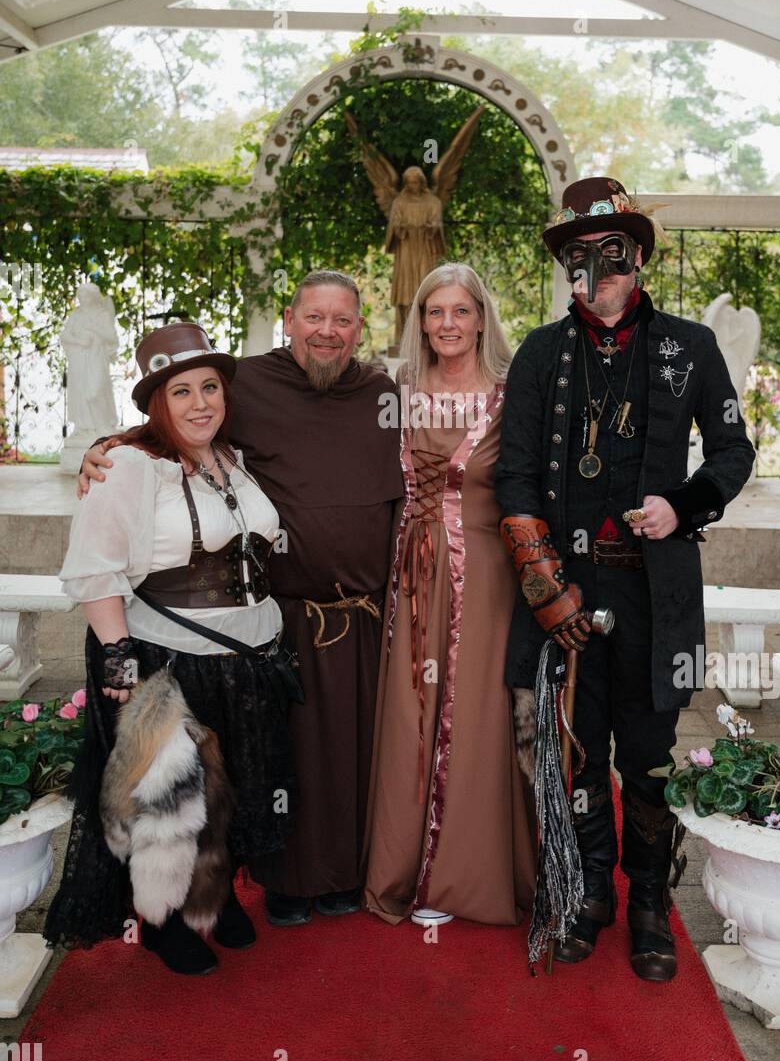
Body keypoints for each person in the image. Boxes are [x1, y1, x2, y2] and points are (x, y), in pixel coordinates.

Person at [79, 273, 405, 927]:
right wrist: (105, 445)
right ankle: (280, 884)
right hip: (279, 619)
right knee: (278, 758)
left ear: (360, 329)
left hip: (358, 617)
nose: (328, 331)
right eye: (315, 317)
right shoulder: (249, 382)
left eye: (343, 321)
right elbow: (174, 421)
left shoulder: (381, 391)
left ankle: (342, 874)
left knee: (349, 754)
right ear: (289, 319)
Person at [495, 177, 755, 981]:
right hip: (567, 593)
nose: (597, 270)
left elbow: (733, 452)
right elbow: (513, 479)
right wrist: (546, 591)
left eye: (612, 253)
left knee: (645, 758)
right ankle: (587, 896)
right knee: (576, 754)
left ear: (638, 255)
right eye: (580, 256)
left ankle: (647, 901)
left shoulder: (690, 347)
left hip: (654, 592)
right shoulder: (541, 353)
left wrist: (683, 506)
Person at [46, 322, 299, 975]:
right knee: (168, 798)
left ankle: (211, 896)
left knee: (230, 784)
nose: (199, 403)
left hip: (248, 659)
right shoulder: (130, 466)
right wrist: (117, 656)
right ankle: (161, 922)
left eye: (209, 387)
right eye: (180, 391)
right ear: (157, 402)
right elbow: (95, 567)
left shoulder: (231, 461)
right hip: (167, 659)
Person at [363, 264, 536, 927]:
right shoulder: (396, 390)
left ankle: (462, 876)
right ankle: (403, 867)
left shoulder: (511, 393)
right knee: (411, 712)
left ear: (482, 318)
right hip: (410, 571)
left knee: (474, 715)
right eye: (436, 312)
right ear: (421, 321)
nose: (448, 324)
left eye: (461, 311)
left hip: (486, 575)